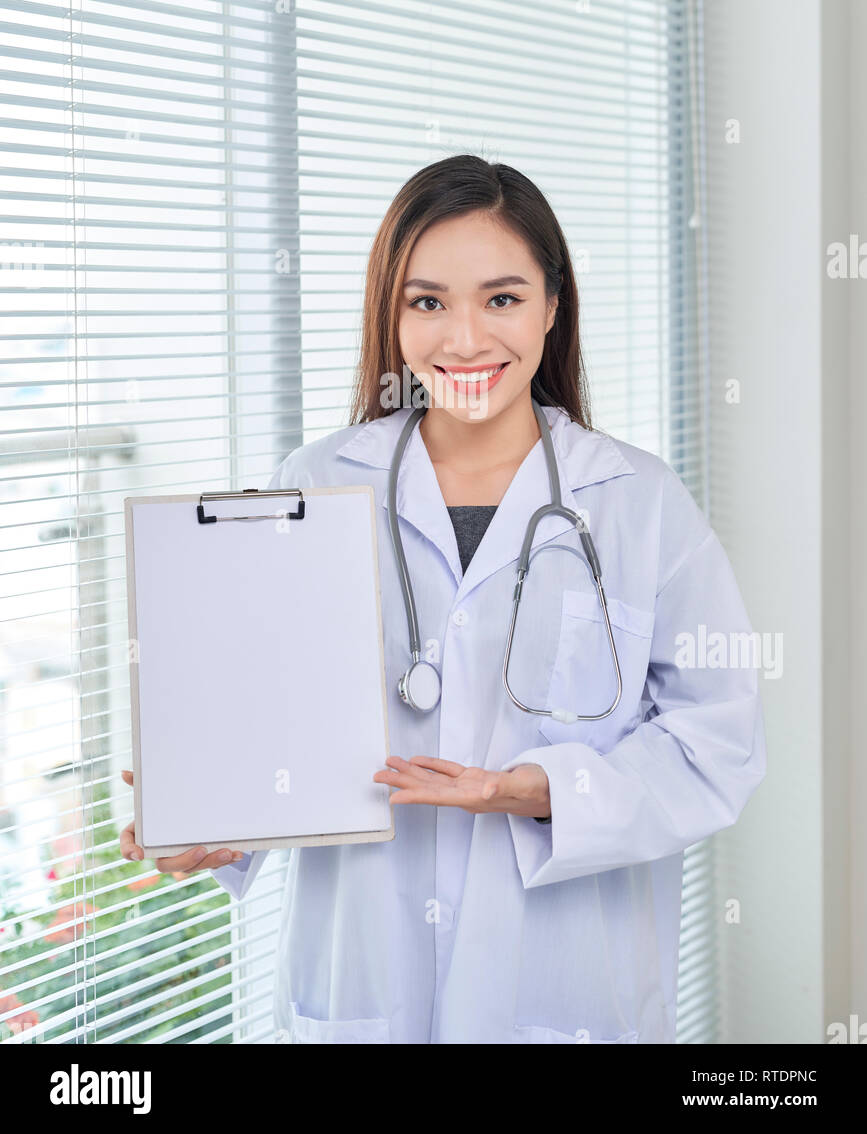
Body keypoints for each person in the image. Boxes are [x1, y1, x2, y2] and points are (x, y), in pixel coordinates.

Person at [120, 154, 766, 1044]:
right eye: (427, 302)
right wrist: (217, 823)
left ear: (552, 304)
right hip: (360, 983)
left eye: (500, 299)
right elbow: (276, 718)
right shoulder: (313, 484)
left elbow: (715, 743)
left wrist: (539, 790)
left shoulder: (637, 502)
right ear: (391, 313)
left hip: (566, 989)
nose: (463, 339)